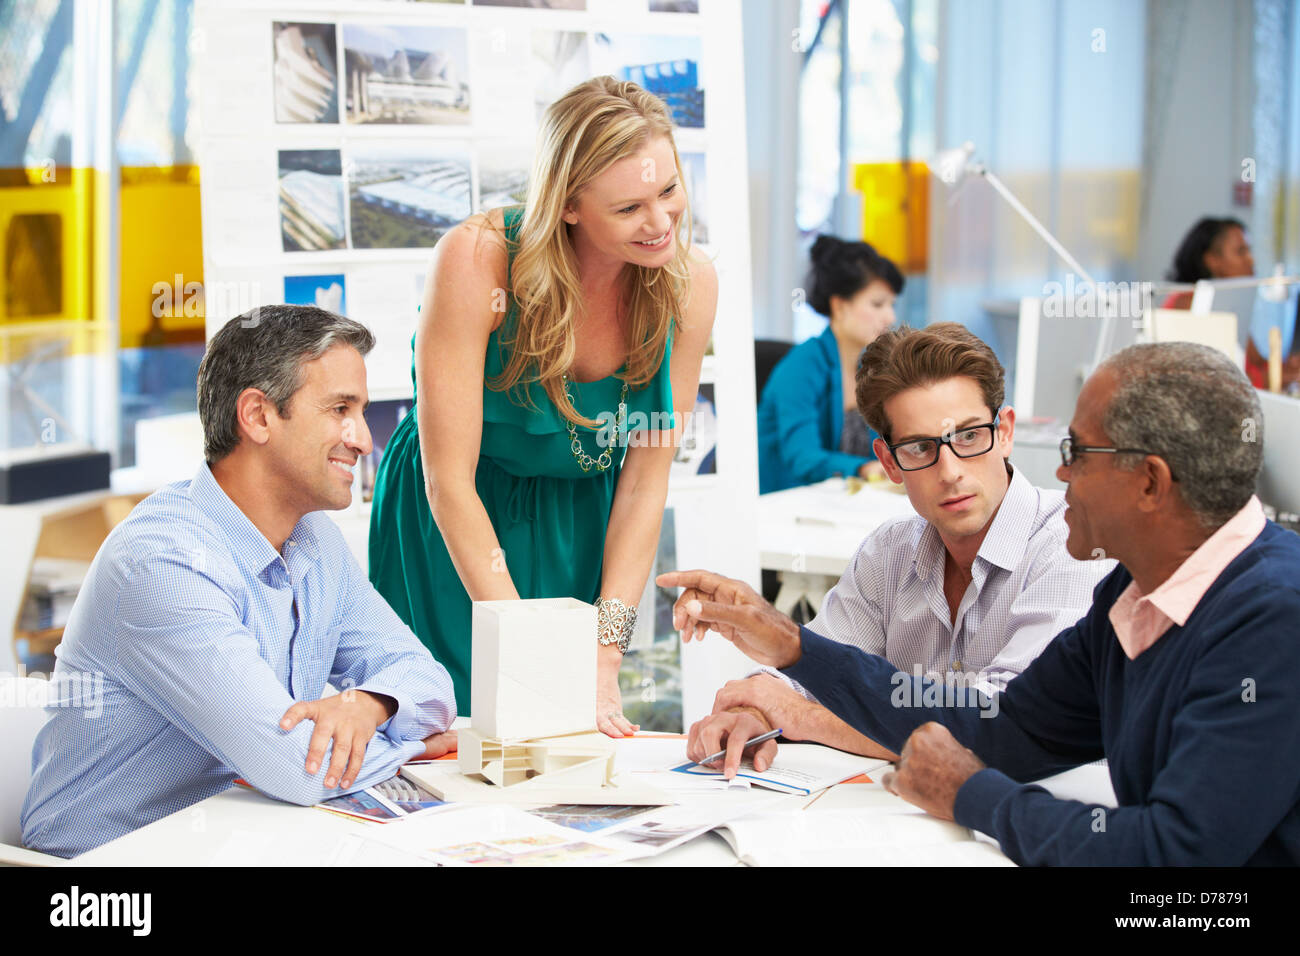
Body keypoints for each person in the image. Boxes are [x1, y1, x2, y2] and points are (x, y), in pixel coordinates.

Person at [671, 342, 1300, 865]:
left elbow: (1179, 857)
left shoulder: (1275, 614)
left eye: (1077, 453)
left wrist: (972, 795)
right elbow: (1005, 728)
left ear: (1149, 482)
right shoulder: (1133, 592)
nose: (1061, 474)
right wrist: (798, 649)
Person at [22, 306, 458, 859]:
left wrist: (370, 703)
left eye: (361, 411)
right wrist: (418, 747)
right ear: (257, 416)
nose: (363, 441)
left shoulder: (314, 539)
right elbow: (297, 768)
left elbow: (428, 679)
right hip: (111, 868)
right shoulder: (162, 563)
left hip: (238, 837)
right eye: (340, 410)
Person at [367, 76, 717, 735]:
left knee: (571, 716)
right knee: (455, 724)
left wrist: (605, 648)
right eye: (630, 208)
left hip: (580, 511)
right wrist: (525, 652)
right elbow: (448, 480)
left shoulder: (691, 285)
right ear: (568, 206)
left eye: (669, 191)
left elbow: (645, 483)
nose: (662, 222)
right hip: (458, 514)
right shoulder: (476, 260)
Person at [661, 323, 1112, 767]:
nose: (951, 471)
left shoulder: (1072, 547)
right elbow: (807, 672)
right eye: (919, 447)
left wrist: (802, 717)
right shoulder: (890, 551)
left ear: (1005, 432)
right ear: (888, 462)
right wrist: (753, 712)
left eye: (969, 436)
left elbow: (998, 729)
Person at [757, 236, 903, 494]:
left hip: (843, 502)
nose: (890, 316)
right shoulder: (802, 365)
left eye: (891, 305)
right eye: (878, 304)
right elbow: (803, 458)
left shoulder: (869, 367)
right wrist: (864, 469)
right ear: (840, 306)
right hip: (787, 505)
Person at [1164, 216, 1300, 388]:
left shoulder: (1232, 302)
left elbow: (1256, 361)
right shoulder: (1185, 304)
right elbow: (1214, 382)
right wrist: (1278, 377)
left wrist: (1289, 367)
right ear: (1212, 260)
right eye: (1241, 251)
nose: (1251, 260)